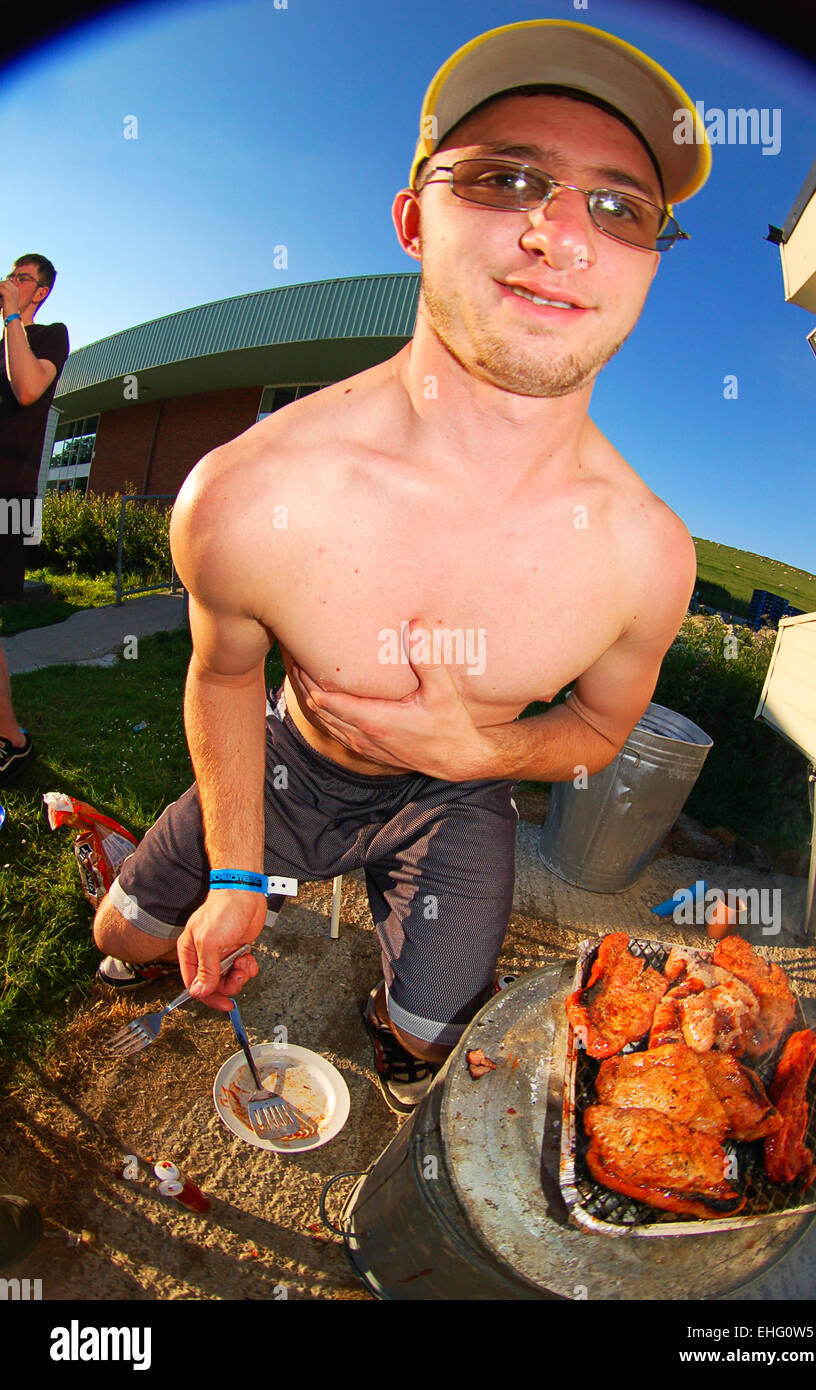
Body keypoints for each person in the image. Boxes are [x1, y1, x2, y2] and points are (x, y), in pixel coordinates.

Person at [93, 20, 710, 1111]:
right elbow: (227, 674)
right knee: (128, 936)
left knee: (432, 1035)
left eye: (620, 207)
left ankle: (394, 1032)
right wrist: (237, 874)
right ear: (414, 221)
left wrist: (489, 745)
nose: (561, 234)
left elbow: (604, 732)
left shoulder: (645, 557)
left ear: (651, 265)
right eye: (506, 178)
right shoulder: (247, 495)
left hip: (459, 798)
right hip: (290, 759)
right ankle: (142, 868)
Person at [0, 254, 69, 780]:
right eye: (11, 275)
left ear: (39, 291)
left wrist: (11, 319)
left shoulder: (48, 336)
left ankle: (13, 740)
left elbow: (27, 389)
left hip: (9, 499)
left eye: (22, 278)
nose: (11, 282)